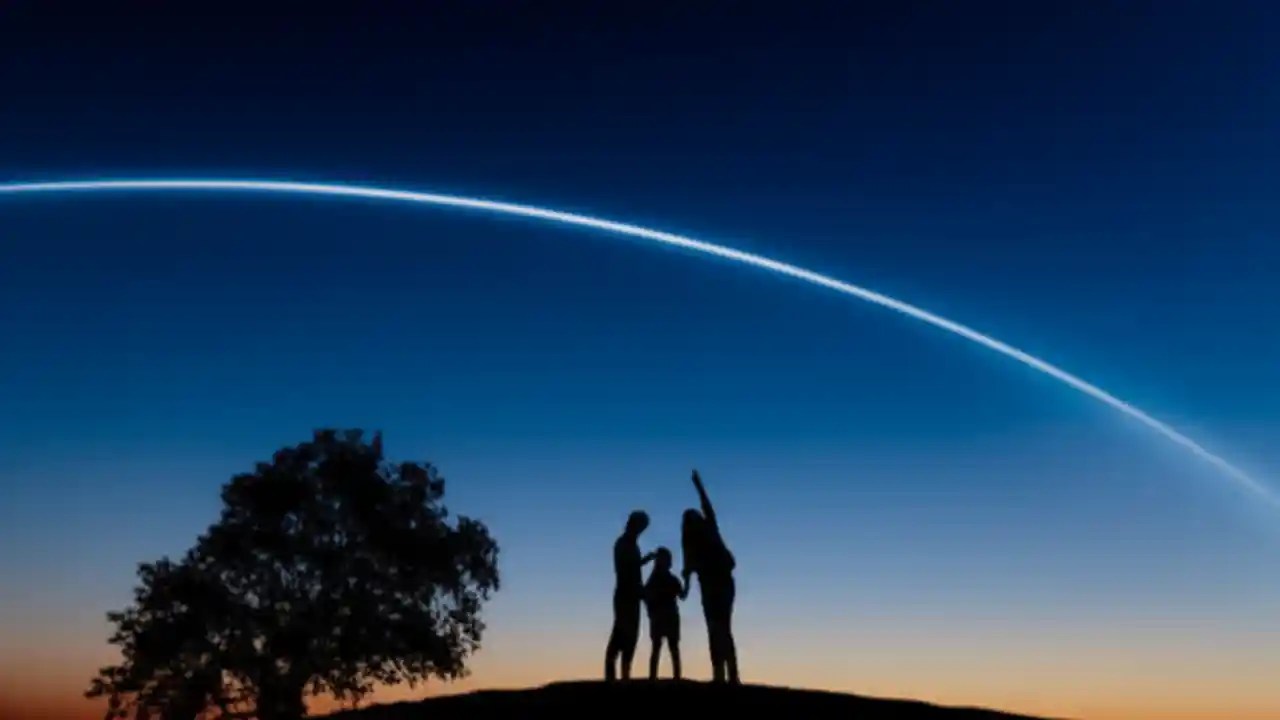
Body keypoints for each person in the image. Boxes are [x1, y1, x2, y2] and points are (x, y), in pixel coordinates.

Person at [681, 469, 739, 684]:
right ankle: (723, 673)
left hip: (720, 584)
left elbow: (707, 504)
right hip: (712, 585)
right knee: (717, 628)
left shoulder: (708, 531)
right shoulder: (698, 543)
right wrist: (685, 588)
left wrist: (699, 486)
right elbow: (687, 569)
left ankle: (728, 674)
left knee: (720, 627)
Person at [605, 510, 654, 681]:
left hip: (630, 594)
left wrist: (643, 561)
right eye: (641, 526)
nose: (641, 530)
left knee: (629, 636)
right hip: (627, 594)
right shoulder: (624, 543)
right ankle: (613, 676)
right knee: (622, 634)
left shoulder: (630, 544)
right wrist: (641, 592)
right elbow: (626, 571)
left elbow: (630, 568)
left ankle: (623, 674)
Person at [643, 546, 688, 680]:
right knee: (669, 649)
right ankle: (675, 678)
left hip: (663, 617)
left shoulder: (658, 579)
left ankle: (656, 678)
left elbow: (645, 595)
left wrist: (650, 611)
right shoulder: (668, 579)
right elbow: (683, 595)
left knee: (661, 648)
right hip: (666, 616)